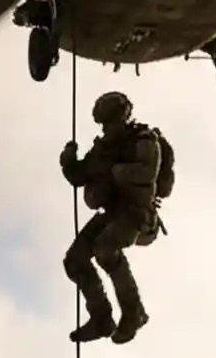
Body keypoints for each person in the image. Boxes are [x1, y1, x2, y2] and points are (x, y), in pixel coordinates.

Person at [59, 91, 164, 344]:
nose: (107, 128)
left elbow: (147, 173)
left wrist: (114, 171)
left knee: (106, 249)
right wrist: (69, 159)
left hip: (137, 213)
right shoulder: (102, 149)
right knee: (75, 260)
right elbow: (79, 176)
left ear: (123, 117)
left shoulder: (143, 140)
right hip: (111, 214)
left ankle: (133, 312)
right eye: (103, 123)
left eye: (110, 121)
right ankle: (101, 318)